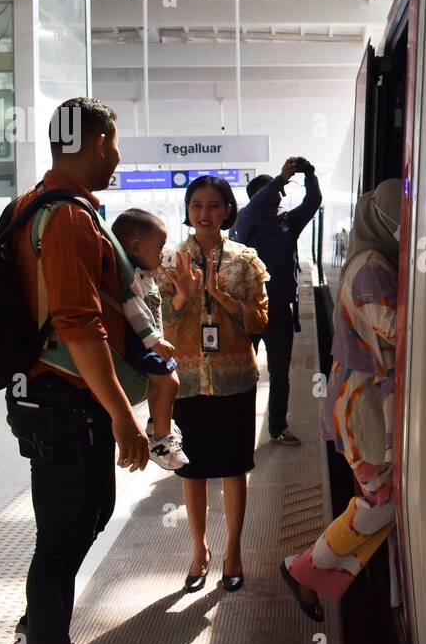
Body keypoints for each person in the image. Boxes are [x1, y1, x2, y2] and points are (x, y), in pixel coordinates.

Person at [0, 97, 150, 644]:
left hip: (46, 398)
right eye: (113, 145)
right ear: (96, 143)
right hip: (65, 402)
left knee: (81, 520)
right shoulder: (64, 218)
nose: (117, 157)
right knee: (62, 536)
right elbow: (78, 327)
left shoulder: (26, 208)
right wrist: (122, 416)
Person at [280, 179, 402, 621]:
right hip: (363, 410)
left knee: (383, 501)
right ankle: (302, 571)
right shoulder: (372, 268)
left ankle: (313, 575)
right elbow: (398, 332)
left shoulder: (374, 260)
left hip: (365, 406)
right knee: (381, 503)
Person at [157, 176, 270, 593]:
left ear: (228, 210)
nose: (205, 214)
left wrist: (219, 294)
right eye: (197, 206)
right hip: (186, 383)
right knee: (193, 470)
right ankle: (199, 551)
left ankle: (234, 552)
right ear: (188, 210)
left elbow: (259, 321)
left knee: (234, 469)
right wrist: (185, 295)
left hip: (234, 379)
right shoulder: (170, 260)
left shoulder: (245, 260)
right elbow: (158, 324)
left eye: (214, 206)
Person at [230, 158, 323, 447]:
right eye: (275, 193)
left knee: (280, 373)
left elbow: (313, 201)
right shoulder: (244, 222)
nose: (279, 198)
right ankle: (238, 430)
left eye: (280, 194)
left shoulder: (288, 223)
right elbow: (256, 206)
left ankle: (278, 427)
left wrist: (310, 173)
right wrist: (279, 180)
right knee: (243, 373)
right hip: (247, 310)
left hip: (280, 310)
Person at [110, 208, 188, 471]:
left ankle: (159, 428)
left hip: (147, 343)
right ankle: (161, 440)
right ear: (135, 247)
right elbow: (137, 312)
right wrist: (155, 341)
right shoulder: (132, 278)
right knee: (169, 382)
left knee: (166, 384)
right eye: (160, 246)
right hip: (140, 344)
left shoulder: (145, 275)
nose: (163, 253)